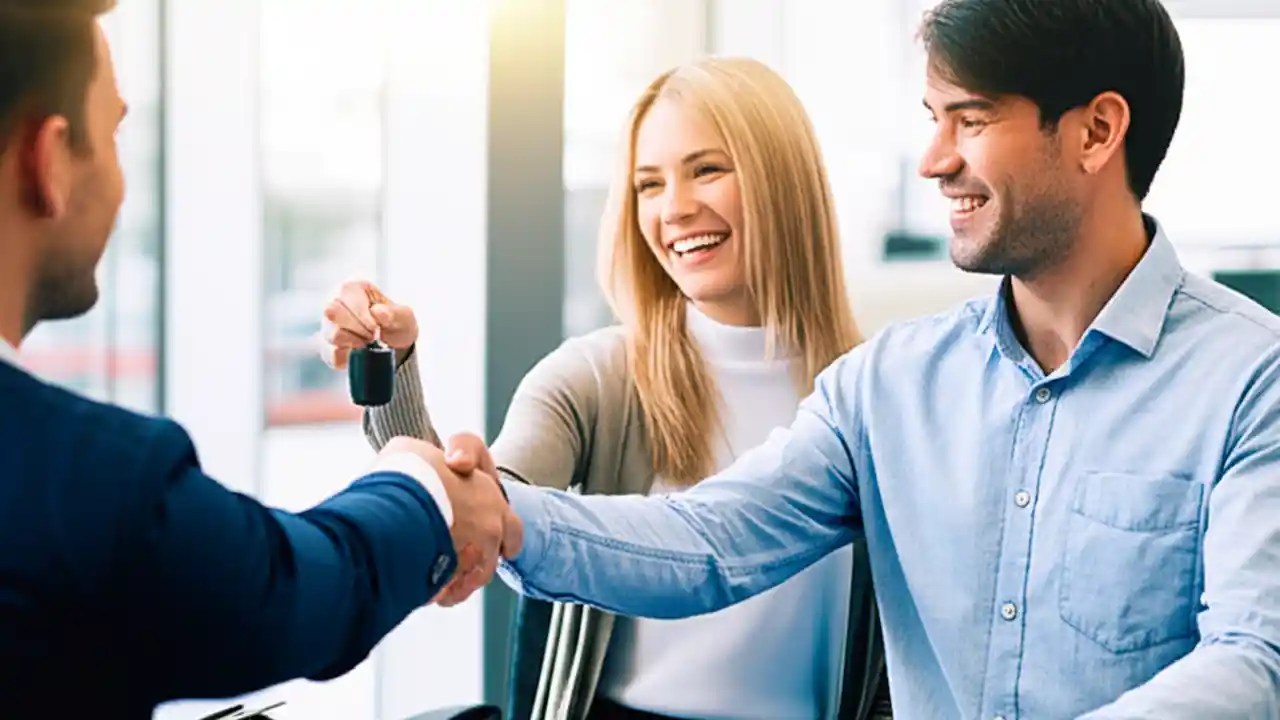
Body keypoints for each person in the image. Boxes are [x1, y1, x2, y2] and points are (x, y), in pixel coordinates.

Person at [444, 0, 1280, 718]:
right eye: (933, 119)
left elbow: (1254, 659)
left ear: (1096, 131)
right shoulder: (888, 384)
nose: (935, 161)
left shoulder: (1251, 381)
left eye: (971, 120)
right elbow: (710, 540)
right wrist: (510, 520)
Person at [321, 58, 892, 719]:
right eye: (649, 184)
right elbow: (476, 511)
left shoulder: (874, 392)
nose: (675, 208)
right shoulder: (595, 377)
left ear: (784, 181)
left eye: (707, 169)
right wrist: (392, 372)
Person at [0, 2, 519, 716]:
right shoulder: (86, 483)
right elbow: (295, 590)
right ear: (50, 159)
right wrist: (422, 485)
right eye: (114, 132)